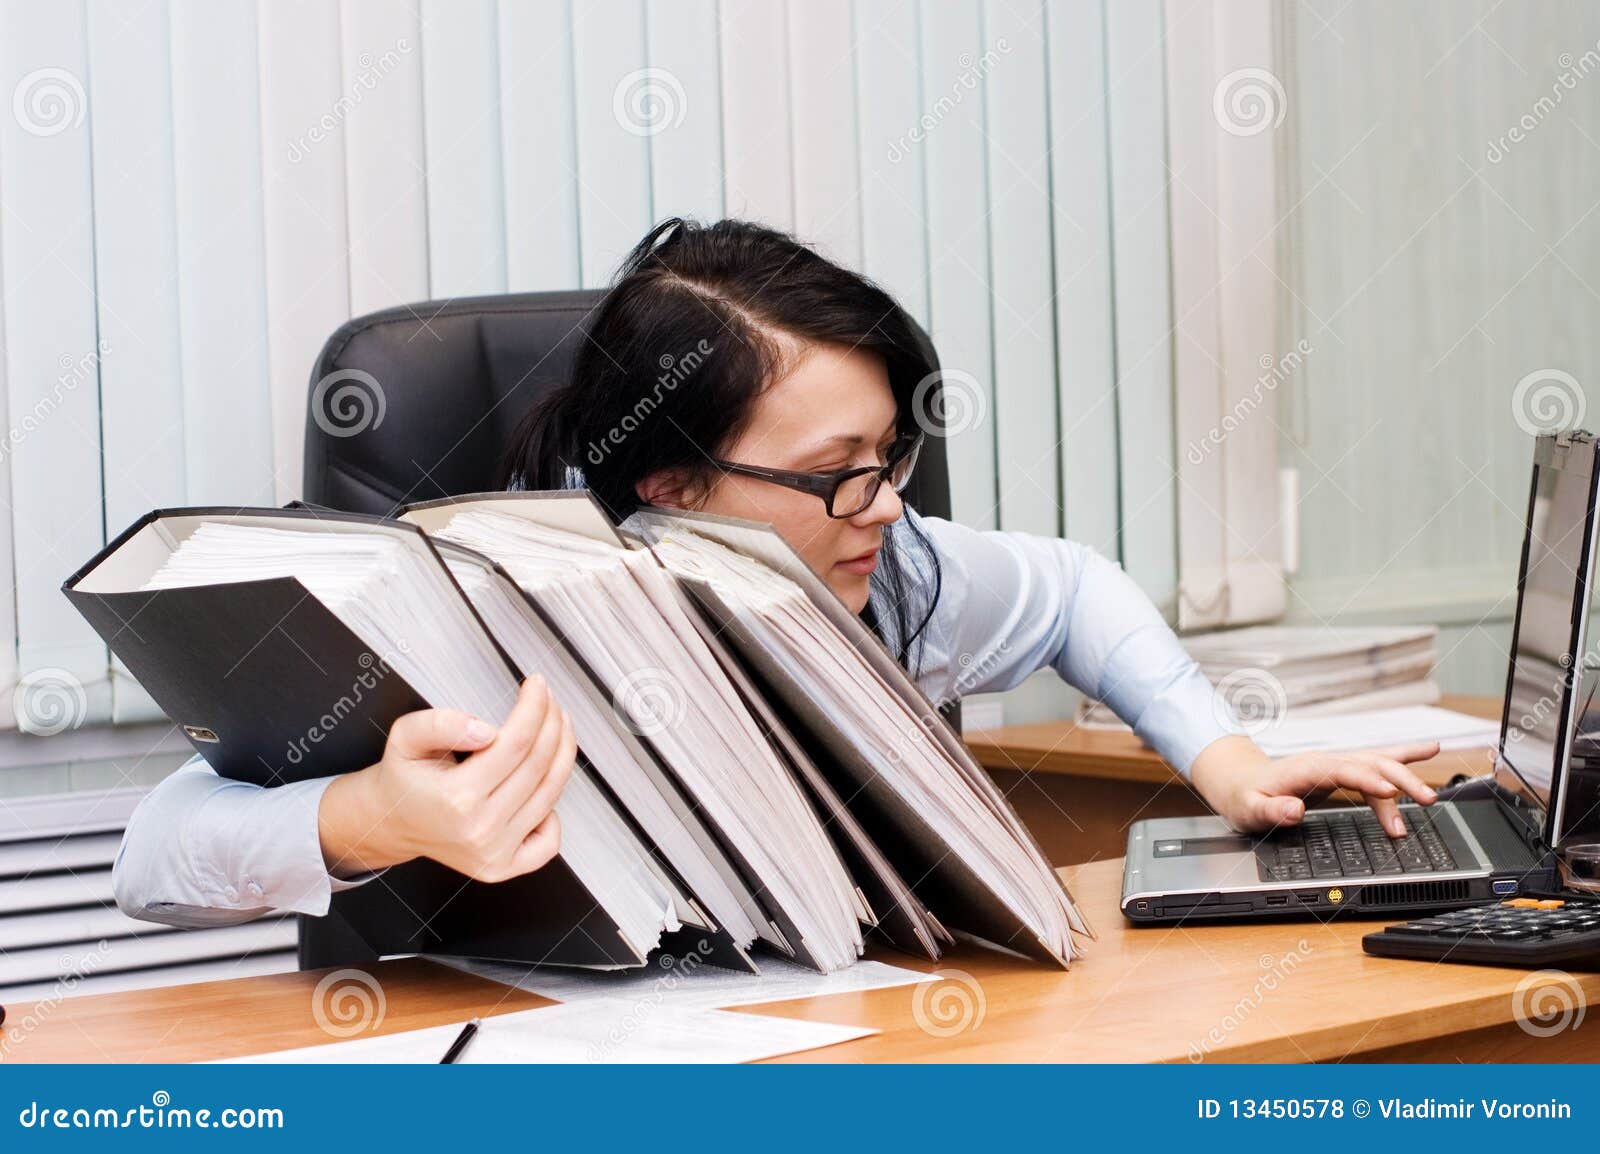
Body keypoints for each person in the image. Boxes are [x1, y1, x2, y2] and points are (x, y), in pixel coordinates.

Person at [113, 216, 1438, 927]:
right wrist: (375, 818)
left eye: (893, 455)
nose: (881, 508)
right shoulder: (478, 615)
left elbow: (1078, 588)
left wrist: (1225, 760)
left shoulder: (891, 572)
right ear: (673, 485)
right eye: (835, 472)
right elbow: (154, 853)